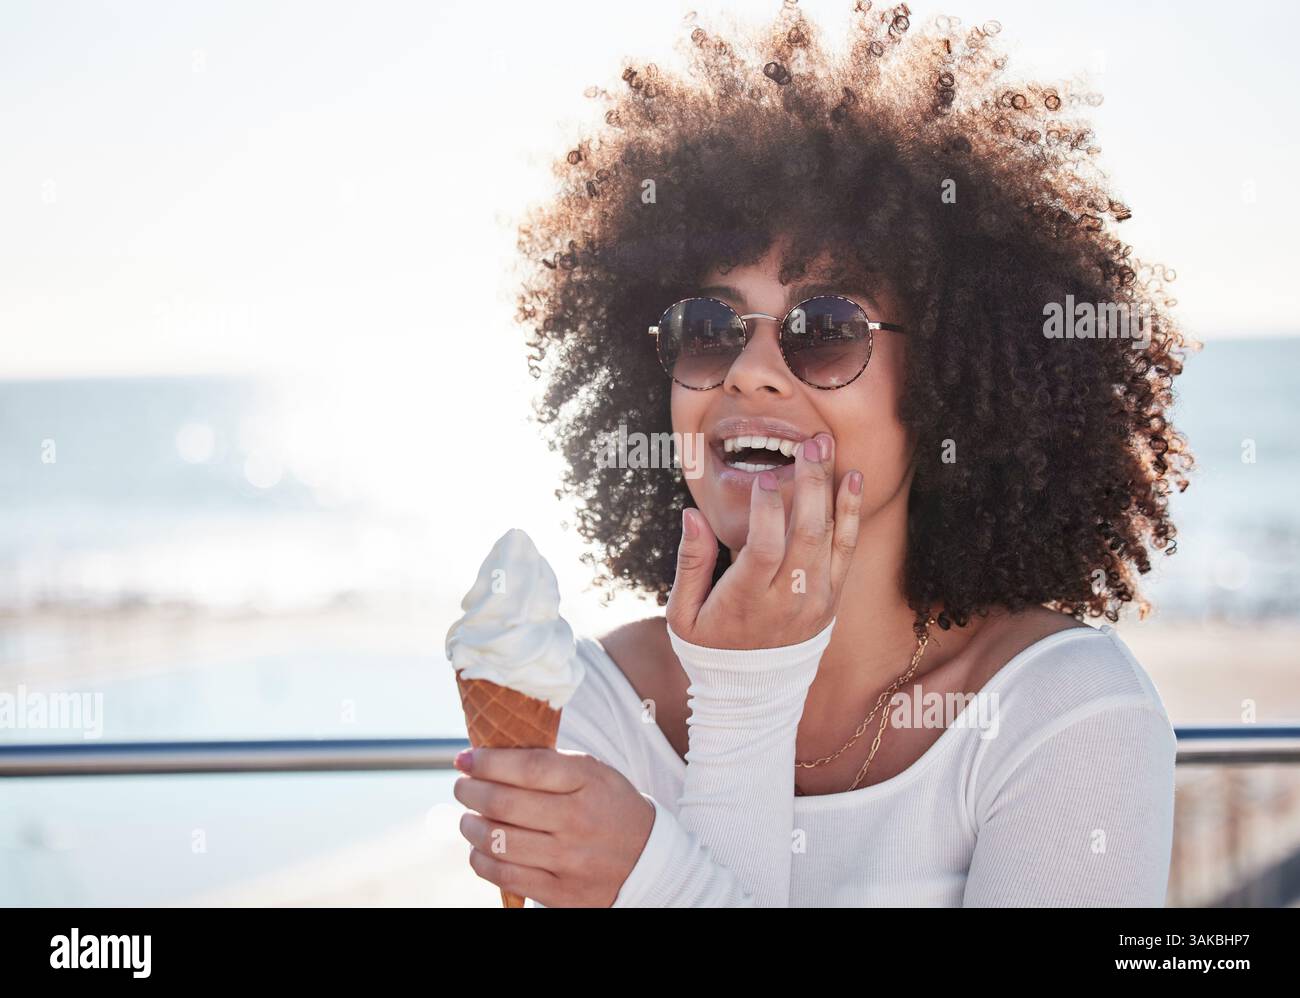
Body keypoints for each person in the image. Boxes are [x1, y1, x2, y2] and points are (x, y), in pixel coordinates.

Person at [452, 1, 1193, 907]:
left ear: (947, 381)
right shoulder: (599, 704)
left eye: (827, 329)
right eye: (709, 327)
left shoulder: (1066, 711)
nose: (753, 372)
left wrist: (661, 870)